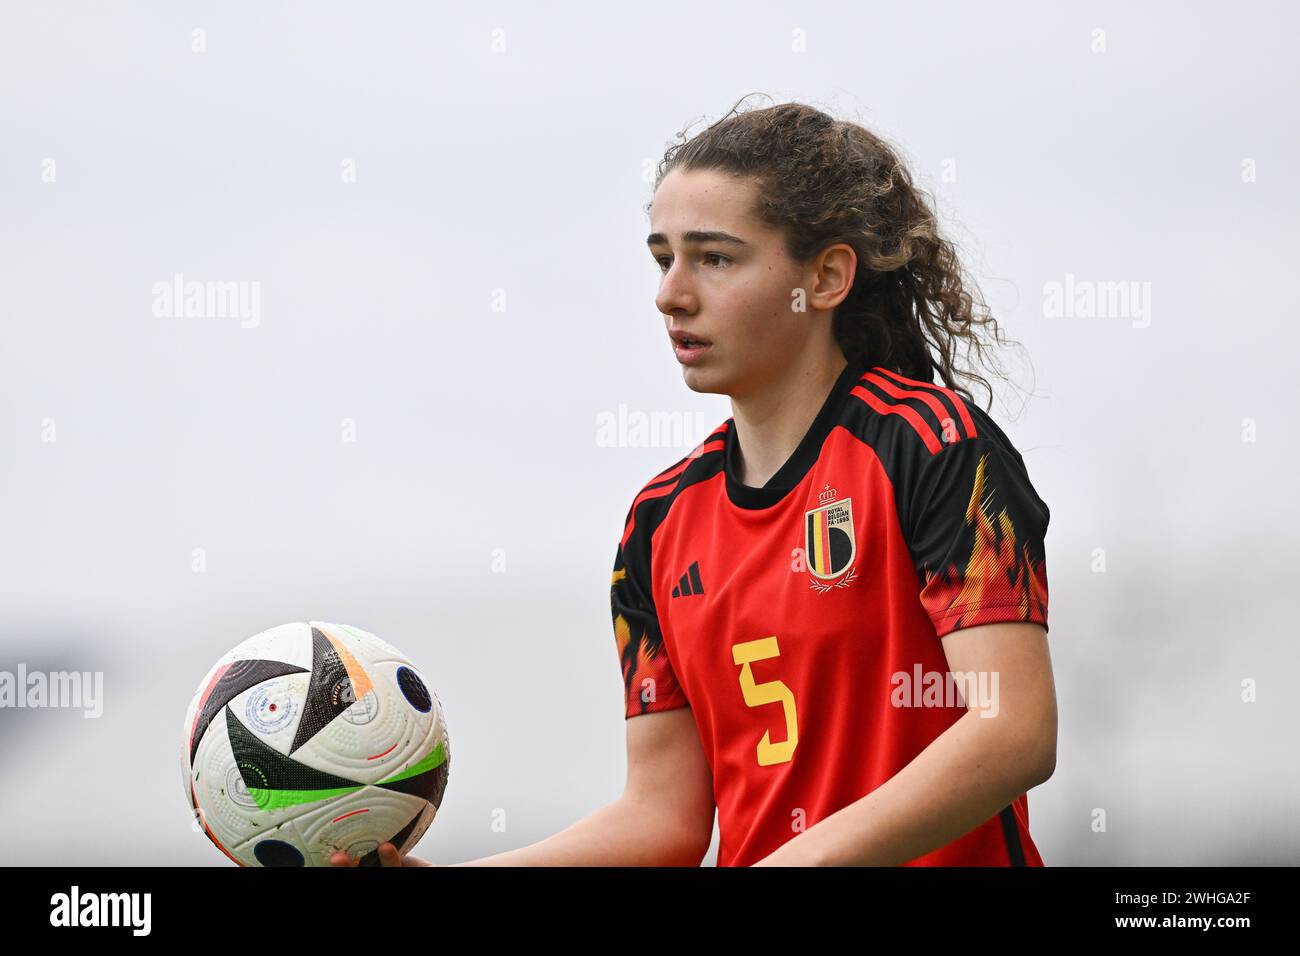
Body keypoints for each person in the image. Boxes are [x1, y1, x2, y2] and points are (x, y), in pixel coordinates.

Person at [333, 96, 1056, 868]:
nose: (671, 293)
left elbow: (1012, 730)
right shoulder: (658, 523)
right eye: (662, 257)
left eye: (715, 257)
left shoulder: (934, 449)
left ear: (827, 275)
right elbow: (664, 818)